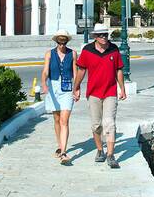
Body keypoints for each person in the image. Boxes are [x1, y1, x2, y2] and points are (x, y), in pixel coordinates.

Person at [74, 23, 127, 170]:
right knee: (96, 124)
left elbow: (119, 70)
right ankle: (99, 150)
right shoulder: (88, 50)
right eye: (100, 35)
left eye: (105, 34)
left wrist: (122, 88)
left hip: (110, 92)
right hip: (93, 93)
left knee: (109, 123)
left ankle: (110, 155)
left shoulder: (114, 49)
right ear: (95, 37)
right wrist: (76, 87)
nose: (104, 37)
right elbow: (81, 71)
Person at [41, 31, 76, 165]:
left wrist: (76, 88)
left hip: (67, 87)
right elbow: (45, 71)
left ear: (67, 42)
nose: (62, 45)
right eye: (60, 43)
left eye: (64, 42)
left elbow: (75, 71)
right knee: (56, 118)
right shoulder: (49, 53)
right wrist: (44, 84)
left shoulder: (72, 53)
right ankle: (60, 145)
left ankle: (63, 152)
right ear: (56, 42)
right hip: (53, 87)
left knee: (64, 120)